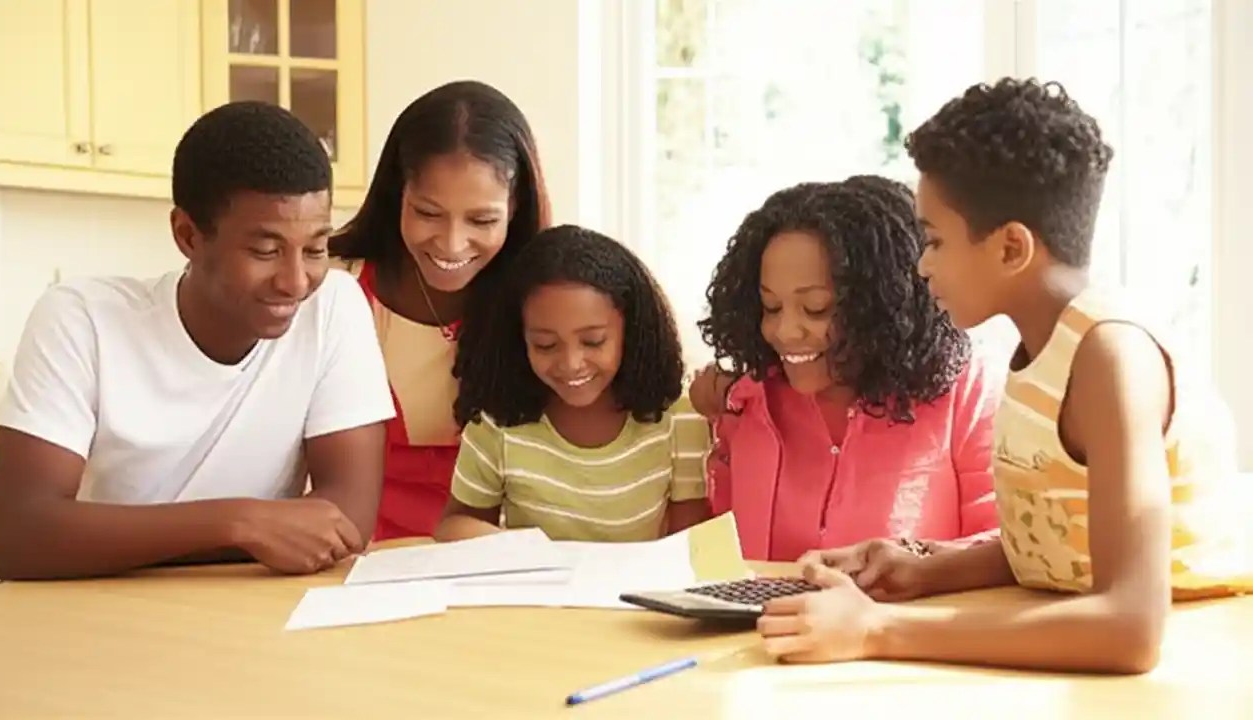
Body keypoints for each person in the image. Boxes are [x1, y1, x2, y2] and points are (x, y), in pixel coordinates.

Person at [760, 78, 1253, 674]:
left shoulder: (1112, 359)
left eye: (935, 241)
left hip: (1193, 671)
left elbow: (1132, 627)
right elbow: (1067, 542)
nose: (922, 265)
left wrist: (880, 630)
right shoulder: (1043, 351)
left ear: (1011, 248)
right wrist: (925, 566)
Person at [0, 101, 395, 580]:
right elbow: (17, 536)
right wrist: (240, 523)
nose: (296, 281)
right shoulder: (82, 320)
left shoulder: (333, 308)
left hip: (250, 610)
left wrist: (119, 541)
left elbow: (347, 520)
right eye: (265, 251)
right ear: (187, 235)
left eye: (316, 249)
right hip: (101, 609)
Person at [692, 176, 1001, 563]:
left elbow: (1004, 548)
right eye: (771, 308)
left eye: (816, 308)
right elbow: (720, 557)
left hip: (911, 623)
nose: (785, 331)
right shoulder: (747, 399)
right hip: (758, 624)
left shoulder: (965, 394)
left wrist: (917, 565)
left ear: (883, 306)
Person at [330, 80, 552, 540]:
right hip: (356, 561)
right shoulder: (332, 288)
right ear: (398, 195)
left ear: (516, 208)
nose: (452, 244)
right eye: (428, 213)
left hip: (505, 562)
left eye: (482, 220)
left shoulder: (548, 297)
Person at [434, 225, 712, 542]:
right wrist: (522, 551)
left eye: (593, 342)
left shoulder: (679, 416)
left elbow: (689, 548)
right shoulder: (497, 422)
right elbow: (455, 525)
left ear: (631, 332)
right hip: (533, 590)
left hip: (635, 591)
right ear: (518, 339)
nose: (570, 364)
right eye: (545, 345)